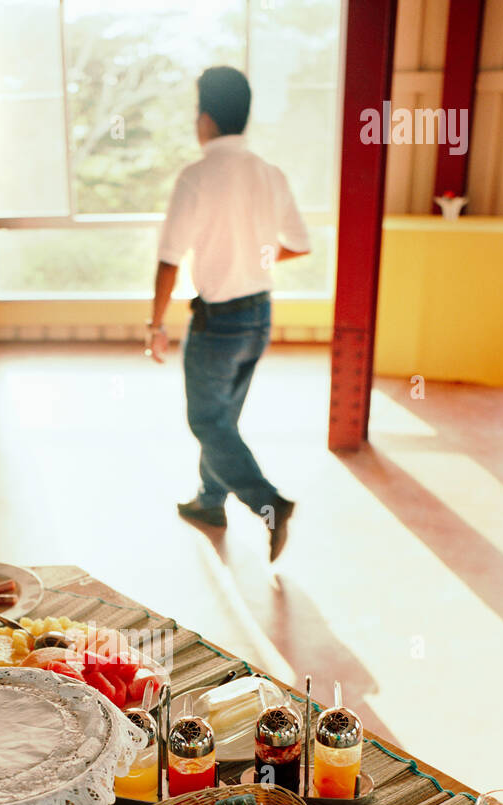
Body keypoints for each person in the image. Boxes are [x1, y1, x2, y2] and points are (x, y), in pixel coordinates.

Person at [147, 66, 310, 563]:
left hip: (217, 323)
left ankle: (269, 504)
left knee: (207, 422)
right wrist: (253, 256)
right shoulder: (270, 172)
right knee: (224, 419)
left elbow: (169, 260)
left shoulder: (196, 177)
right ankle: (209, 503)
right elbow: (299, 245)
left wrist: (155, 327)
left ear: (206, 118)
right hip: (259, 316)